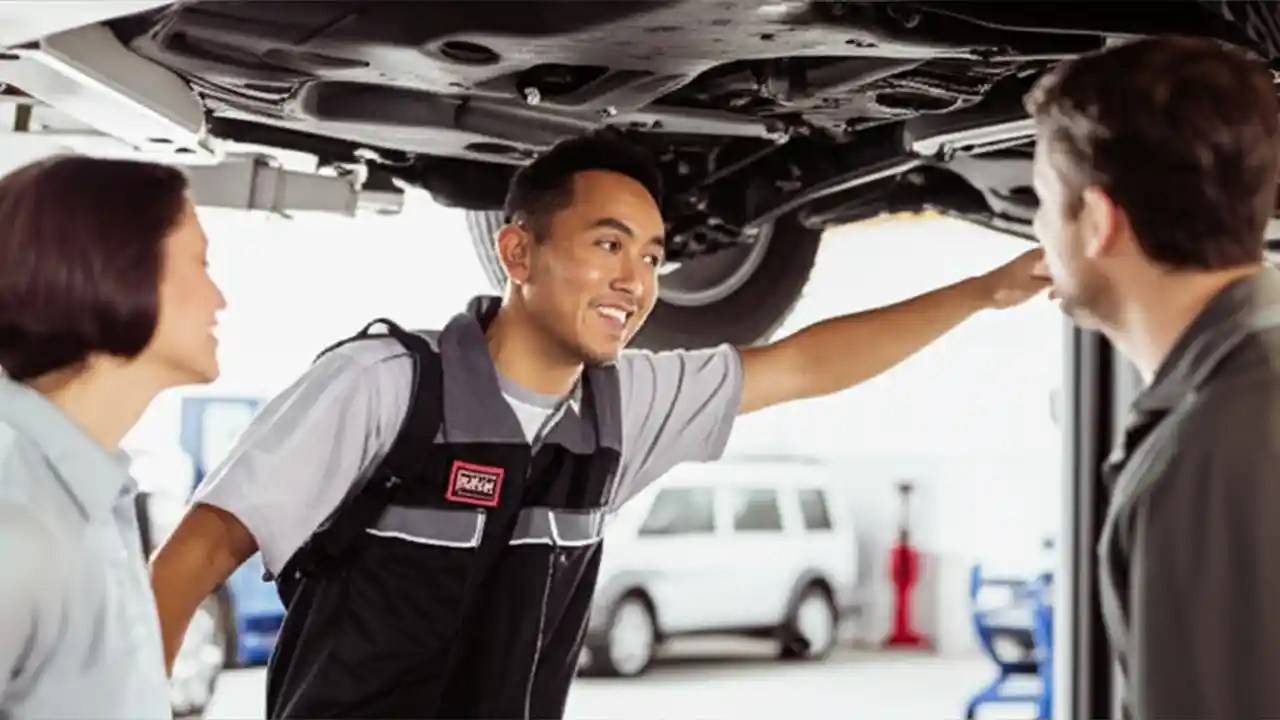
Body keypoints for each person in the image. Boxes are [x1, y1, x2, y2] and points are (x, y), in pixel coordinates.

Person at [149, 133, 1047, 718]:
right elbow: (194, 553)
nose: (637, 281)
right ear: (517, 252)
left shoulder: (624, 408)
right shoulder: (385, 386)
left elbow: (805, 363)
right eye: (608, 245)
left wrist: (981, 293)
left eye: (652, 256)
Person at [1025, 34, 1280, 719]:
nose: (1037, 227)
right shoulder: (1241, 392)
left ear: (1100, 223)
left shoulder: (1218, 445)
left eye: (1045, 202)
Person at [0, 155, 227, 718]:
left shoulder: (86, 499)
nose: (218, 299)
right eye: (199, 263)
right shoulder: (17, 524)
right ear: (120, 269)